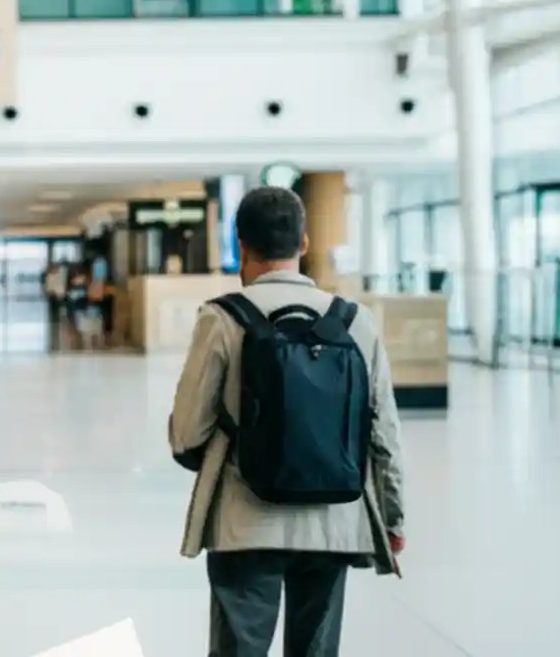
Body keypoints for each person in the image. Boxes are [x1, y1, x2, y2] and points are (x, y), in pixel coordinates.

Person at [168, 187, 406, 657]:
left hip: (243, 523)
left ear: (241, 245)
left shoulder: (222, 318)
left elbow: (187, 432)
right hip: (333, 520)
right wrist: (394, 518)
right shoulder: (355, 321)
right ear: (304, 243)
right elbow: (384, 433)